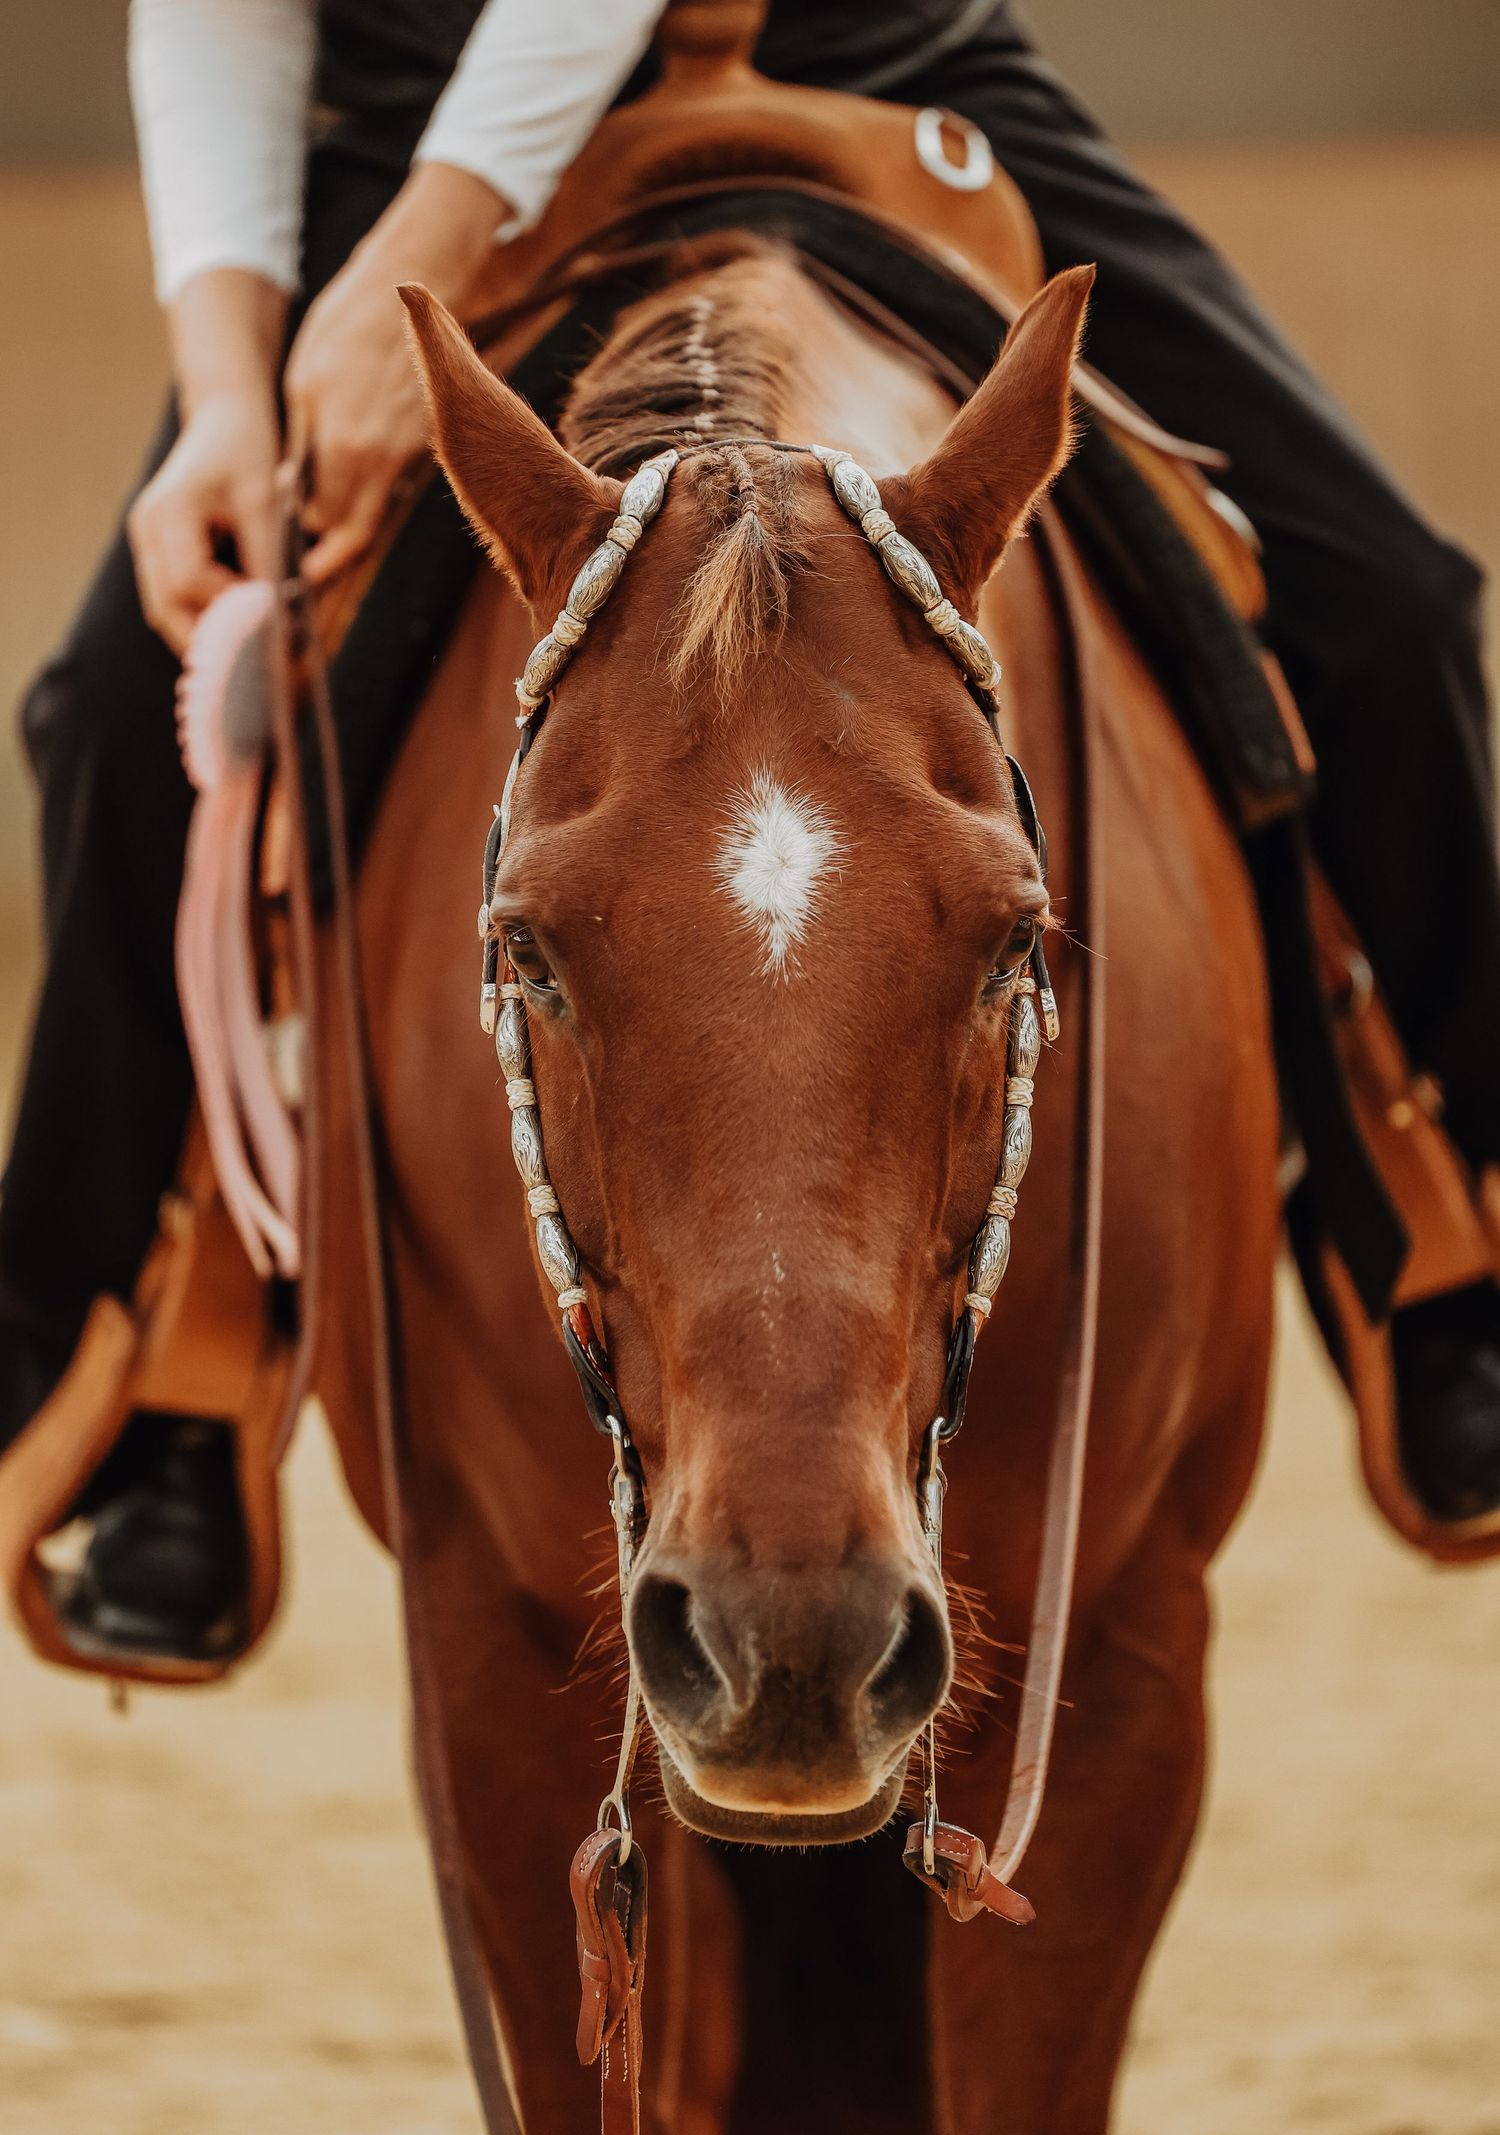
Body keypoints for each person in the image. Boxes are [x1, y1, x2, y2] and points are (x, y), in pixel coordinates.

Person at [4, 0, 1499, 1662]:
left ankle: (1449, 1226)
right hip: (398, 126)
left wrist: (406, 260)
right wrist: (226, 390)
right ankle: (151, 1380)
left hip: (868, 63)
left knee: (1397, 610)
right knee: (110, 711)